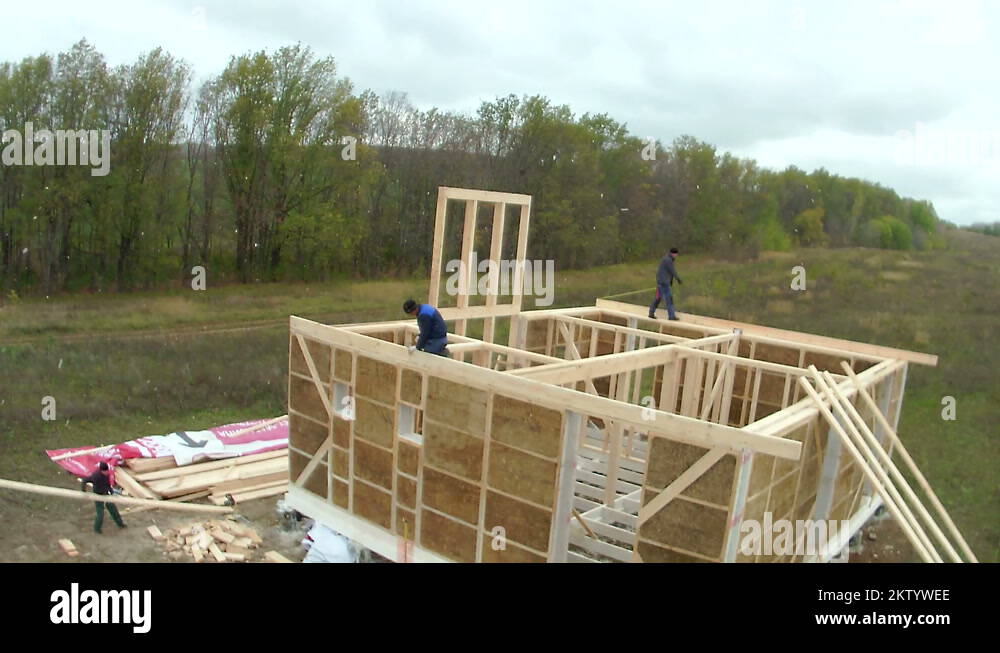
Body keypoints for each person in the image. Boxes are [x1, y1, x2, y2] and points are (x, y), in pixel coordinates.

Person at [80, 461, 126, 534]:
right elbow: (84, 480)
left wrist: (111, 491)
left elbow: (108, 483)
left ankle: (120, 524)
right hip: (98, 495)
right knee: (100, 513)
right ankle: (97, 529)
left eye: (107, 471)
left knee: (113, 509)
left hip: (106, 494)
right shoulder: (95, 476)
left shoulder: (106, 474)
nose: (107, 472)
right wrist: (83, 491)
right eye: (105, 471)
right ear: (102, 471)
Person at [649, 247, 683, 321]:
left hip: (660, 282)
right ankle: (671, 316)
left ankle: (651, 312)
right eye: (676, 254)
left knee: (658, 298)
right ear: (674, 254)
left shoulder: (665, 259)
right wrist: (678, 279)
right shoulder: (668, 260)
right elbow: (672, 271)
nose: (676, 256)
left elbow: (665, 272)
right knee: (669, 299)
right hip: (664, 283)